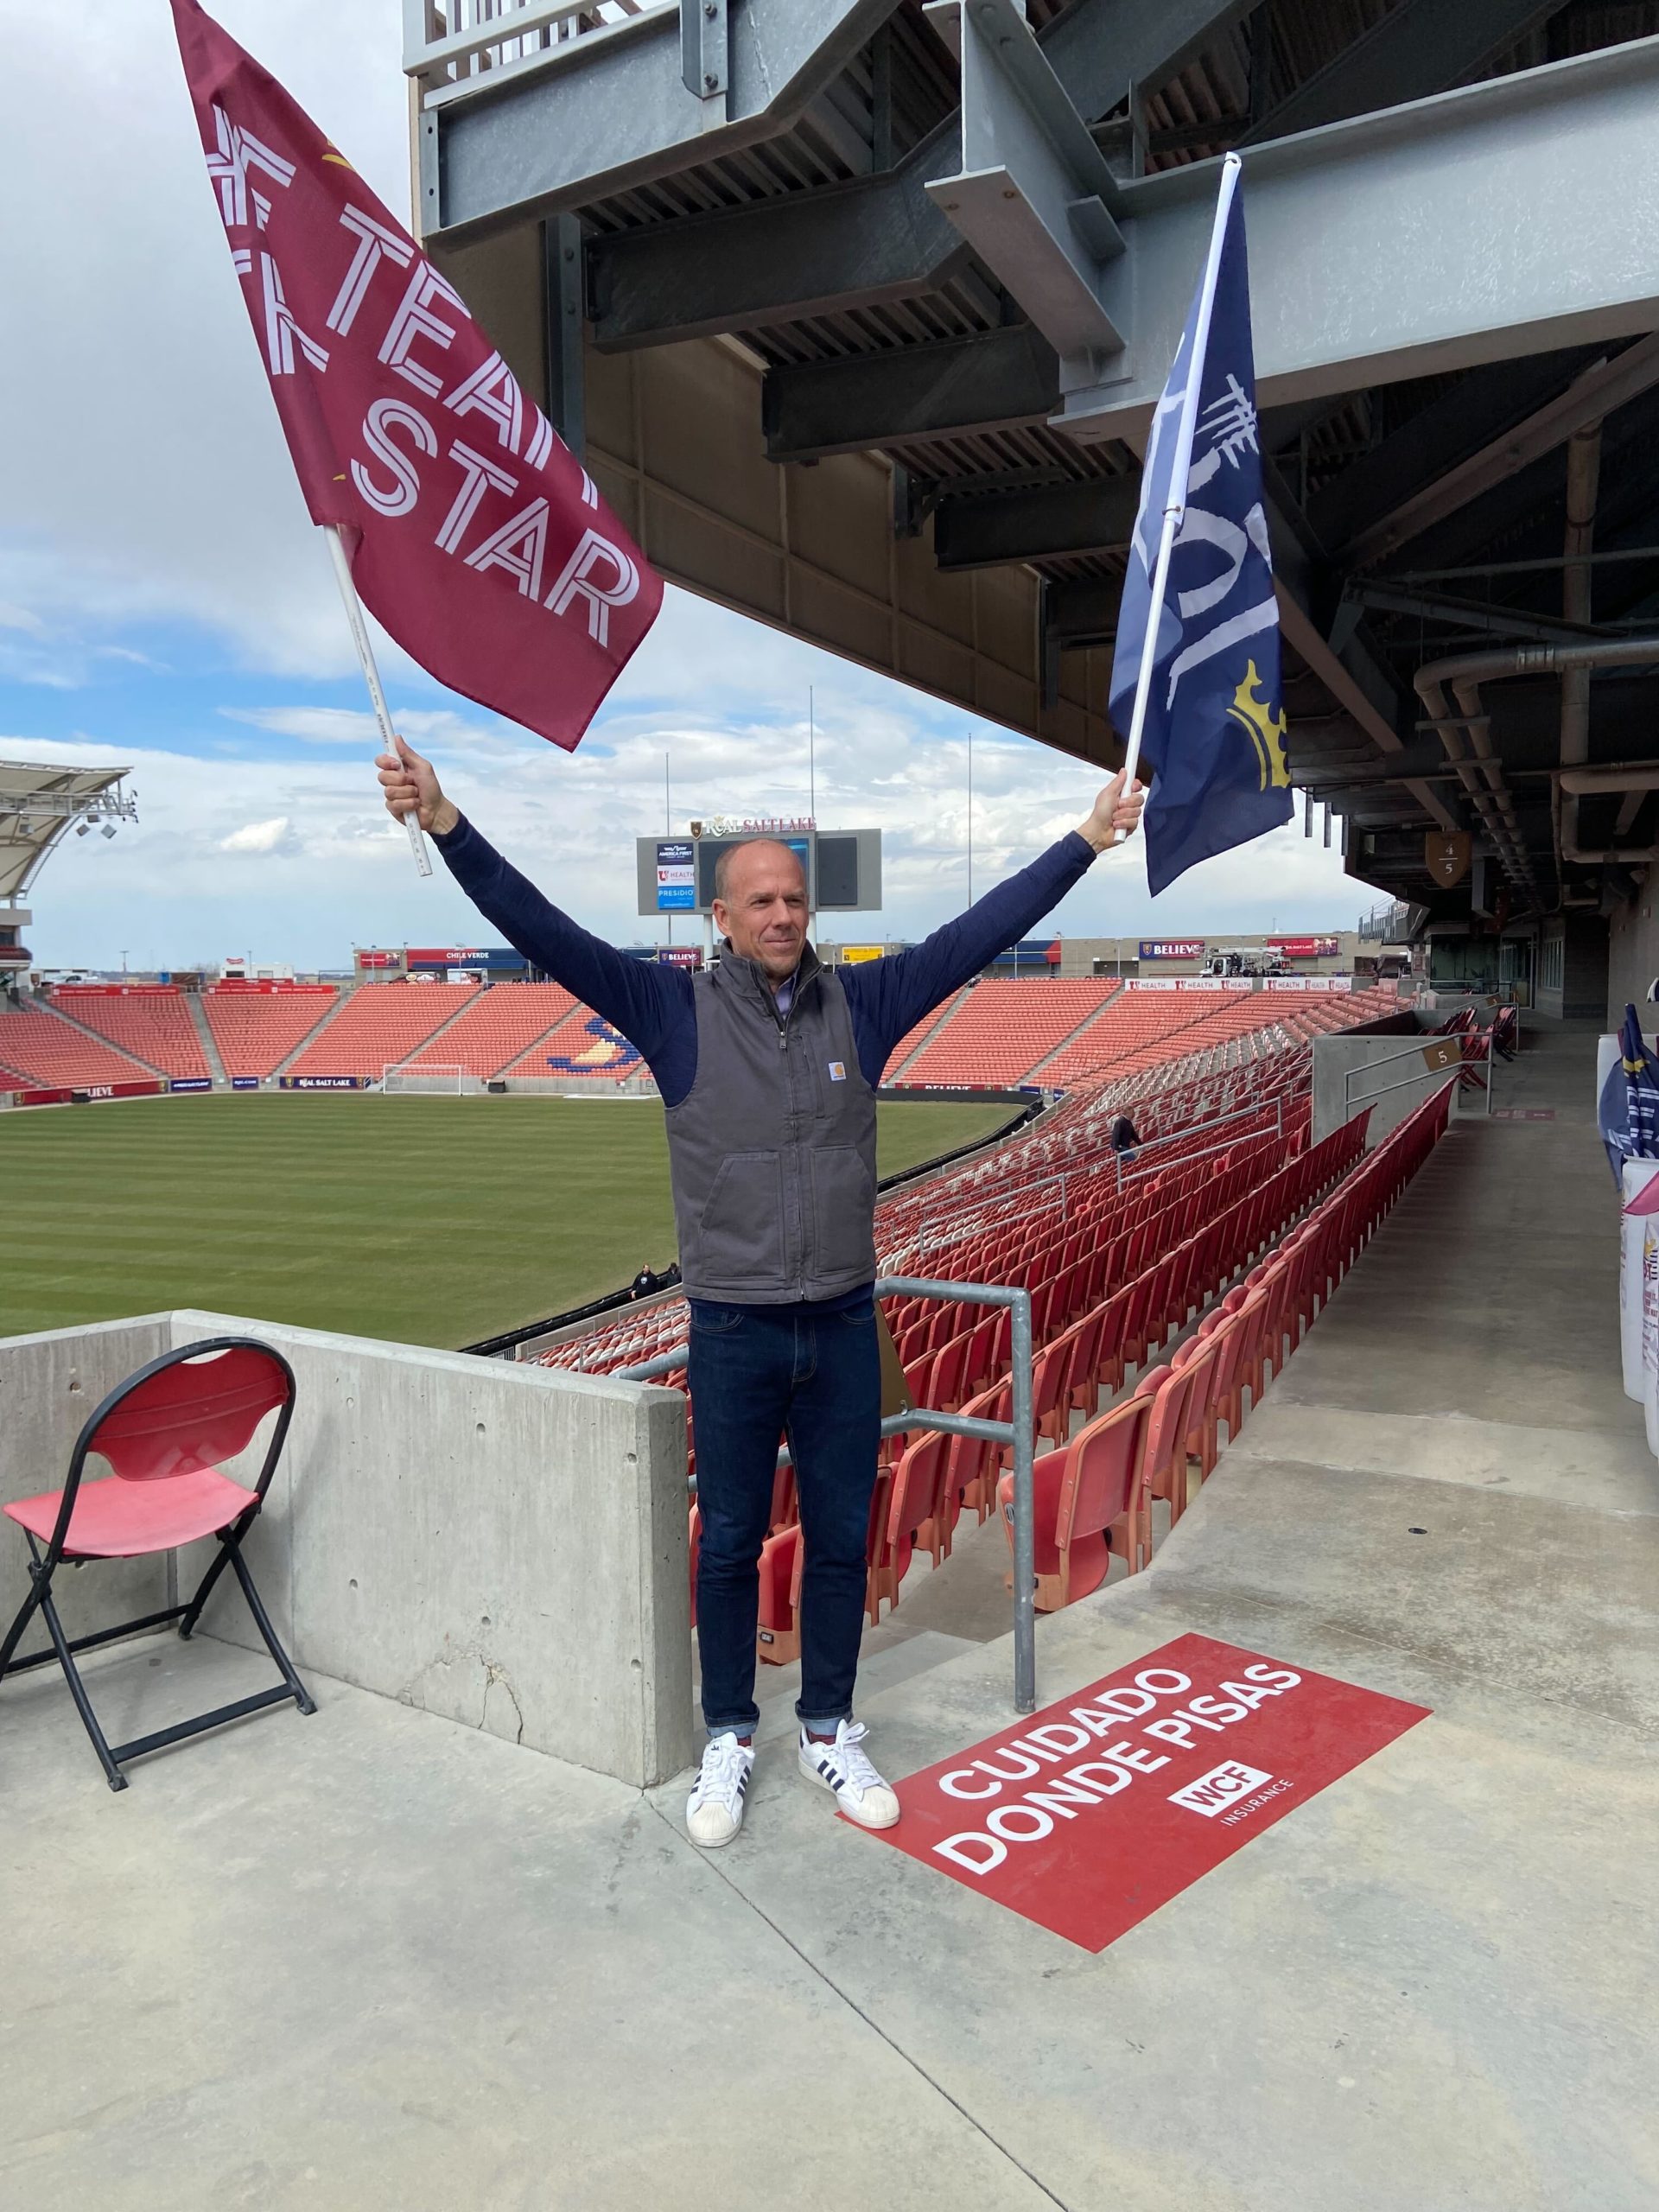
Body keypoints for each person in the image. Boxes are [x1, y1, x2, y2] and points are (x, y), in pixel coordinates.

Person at [378, 736, 1144, 1849]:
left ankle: (829, 1723)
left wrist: (1082, 839)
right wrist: (447, 820)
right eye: (761, 902)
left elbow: (980, 934)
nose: (783, 915)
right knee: (731, 1539)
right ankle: (730, 1735)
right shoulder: (671, 1011)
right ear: (722, 921)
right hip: (731, 1328)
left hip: (839, 1323)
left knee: (841, 1535)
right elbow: (537, 927)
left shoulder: (865, 1009)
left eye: (794, 898)